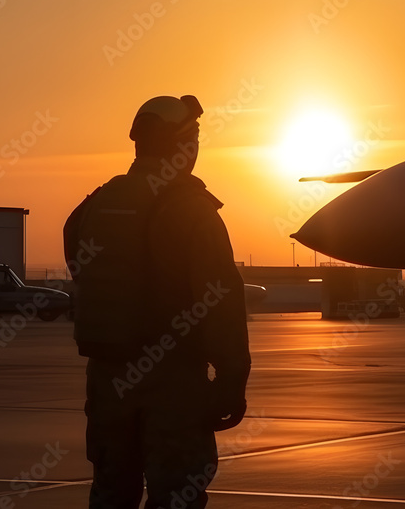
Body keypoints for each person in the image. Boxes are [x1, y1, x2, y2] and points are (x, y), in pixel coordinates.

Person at [64, 95, 251, 509]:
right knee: (177, 495)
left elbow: (82, 267)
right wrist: (231, 381)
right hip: (172, 382)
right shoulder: (192, 211)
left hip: (107, 381)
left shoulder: (95, 205)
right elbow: (220, 301)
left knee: (112, 493)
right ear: (185, 144)